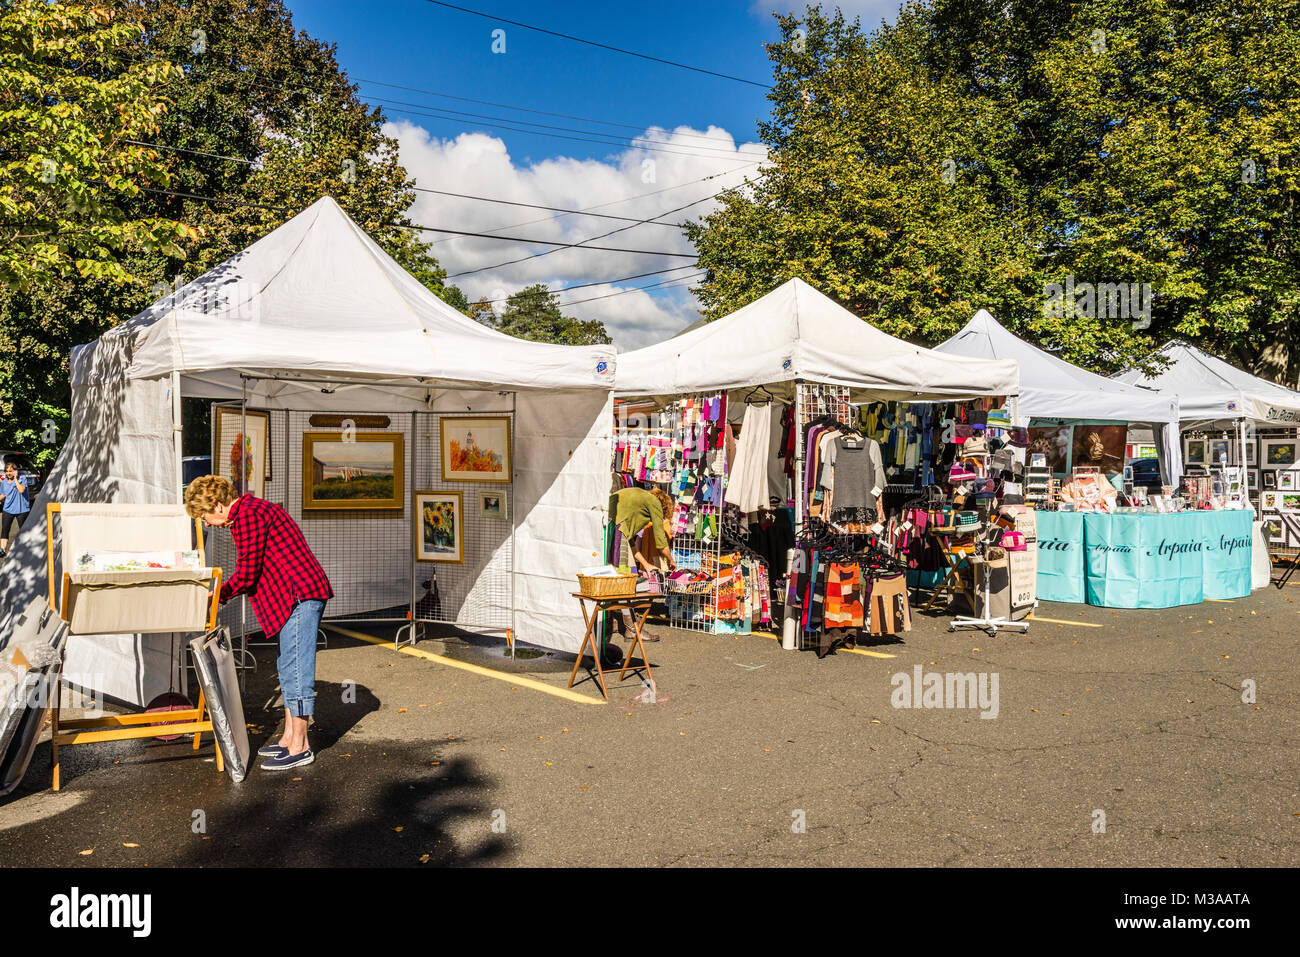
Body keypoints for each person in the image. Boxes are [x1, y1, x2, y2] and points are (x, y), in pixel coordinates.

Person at [184, 475, 333, 771]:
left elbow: (247, 573)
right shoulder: (251, 511)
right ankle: (289, 737)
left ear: (217, 505)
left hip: (299, 595)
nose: (207, 523)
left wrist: (219, 593)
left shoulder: (248, 515)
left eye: (204, 516)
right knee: (287, 666)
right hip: (295, 596)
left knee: (297, 668)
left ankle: (300, 746)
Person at [607, 486, 677, 645]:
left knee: (615, 578)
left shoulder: (637, 498)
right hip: (617, 532)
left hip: (610, 530)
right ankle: (631, 627)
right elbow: (661, 542)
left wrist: (645, 564)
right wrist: (671, 561)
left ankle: (612, 622)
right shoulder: (654, 503)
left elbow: (629, 539)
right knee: (624, 581)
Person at [0, 460, 31, 556]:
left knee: (24, 530)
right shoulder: (4, 482)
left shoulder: (22, 478)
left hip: (22, 510)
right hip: (8, 509)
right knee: (5, 530)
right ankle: (2, 550)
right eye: (7, 471)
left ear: (15, 471)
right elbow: (3, 495)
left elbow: (21, 490)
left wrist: (16, 479)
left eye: (11, 471)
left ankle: (26, 549)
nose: (8, 473)